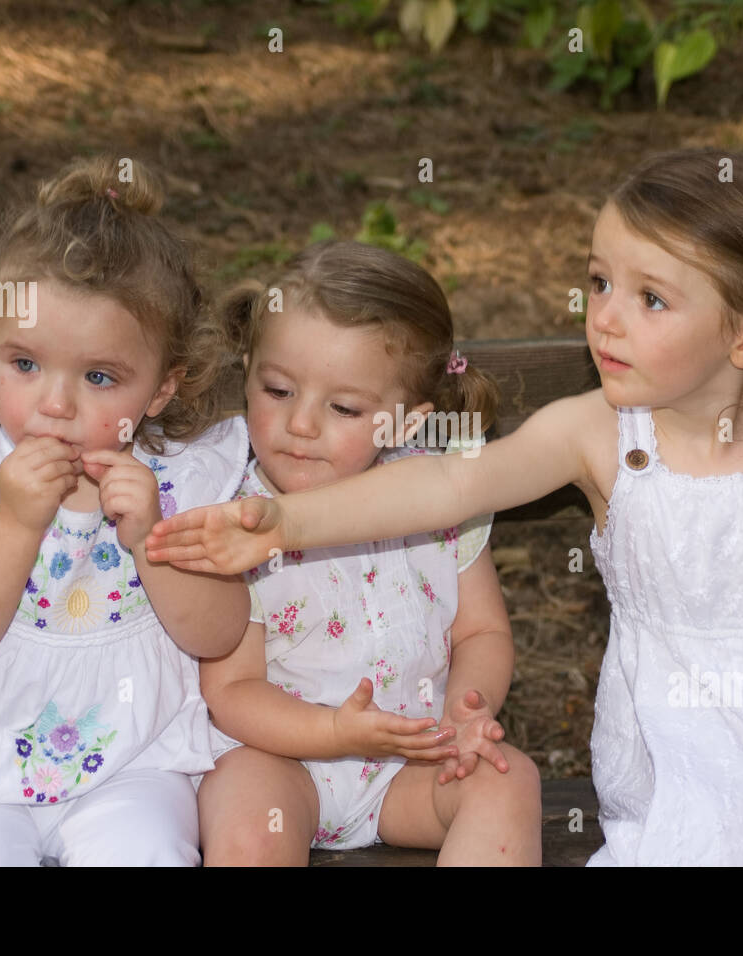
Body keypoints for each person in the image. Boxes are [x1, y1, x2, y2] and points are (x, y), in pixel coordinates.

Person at [148, 150, 743, 865]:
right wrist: (286, 524)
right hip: (689, 747)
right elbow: (451, 482)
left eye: (649, 298)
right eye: (599, 282)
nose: (605, 317)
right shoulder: (597, 433)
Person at [0, 157, 251, 865]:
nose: (55, 404)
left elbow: (219, 631)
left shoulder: (181, 481)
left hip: (132, 758)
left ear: (160, 389)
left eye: (98, 377)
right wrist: (14, 525)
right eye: (24, 364)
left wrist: (150, 537)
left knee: (144, 852)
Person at [197, 241, 541, 865]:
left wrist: (470, 711)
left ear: (408, 422)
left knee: (508, 779)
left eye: (343, 408)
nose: (301, 423)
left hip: (406, 768)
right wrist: (331, 733)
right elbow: (233, 690)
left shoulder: (439, 503)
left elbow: (482, 631)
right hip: (279, 762)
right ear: (247, 374)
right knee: (250, 823)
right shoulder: (234, 520)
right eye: (277, 390)